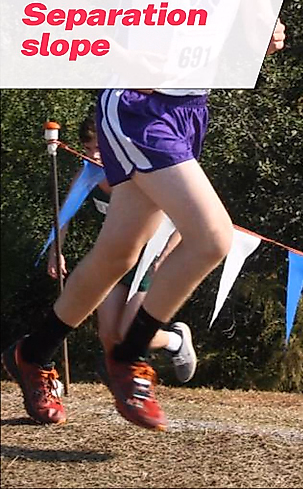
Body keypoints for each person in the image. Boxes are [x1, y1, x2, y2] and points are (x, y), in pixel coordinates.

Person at [4, 0, 284, 431]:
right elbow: (53, 1)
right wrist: (119, 51)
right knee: (212, 238)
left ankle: (31, 354)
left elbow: (250, 28)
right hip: (134, 106)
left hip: (190, 109)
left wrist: (270, 34)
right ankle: (129, 356)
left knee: (117, 254)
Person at [49, 116, 197, 383]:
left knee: (131, 330)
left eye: (98, 148)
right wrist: (55, 251)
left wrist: (163, 258)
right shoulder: (86, 177)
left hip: (149, 258)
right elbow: (65, 215)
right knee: (108, 333)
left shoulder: (139, 176)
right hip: (116, 256)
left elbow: (180, 219)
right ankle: (124, 385)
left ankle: (175, 340)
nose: (93, 155)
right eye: (87, 148)